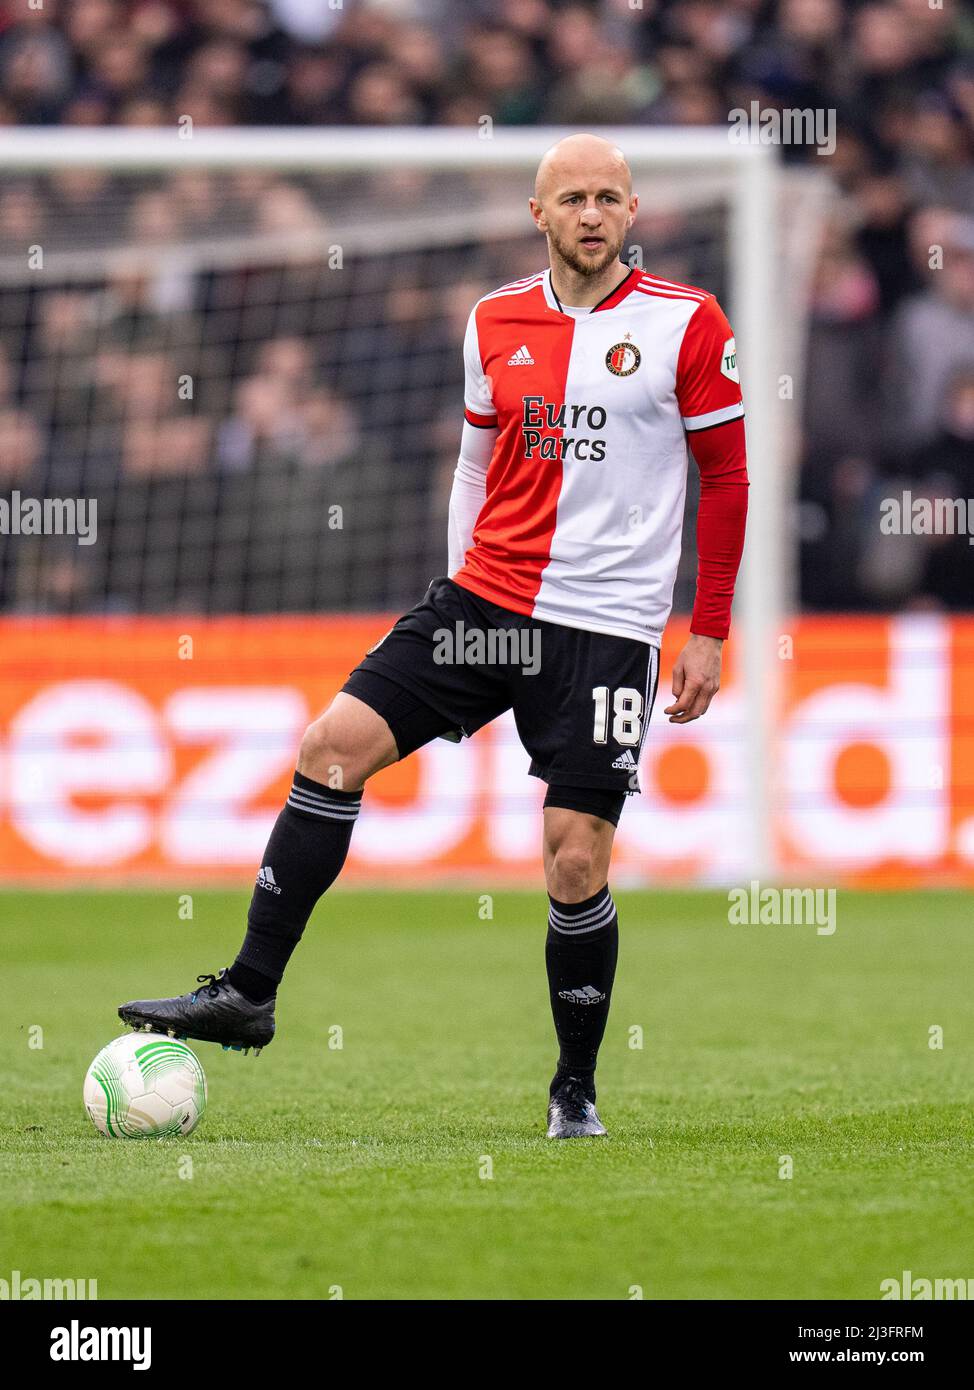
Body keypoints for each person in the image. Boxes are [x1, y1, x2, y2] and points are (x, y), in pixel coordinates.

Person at [118, 134, 750, 1139]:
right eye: (570, 199)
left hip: (603, 629)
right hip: (484, 605)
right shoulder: (492, 319)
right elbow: (473, 459)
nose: (590, 214)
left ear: (632, 211)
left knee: (574, 863)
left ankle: (574, 1088)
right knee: (331, 745)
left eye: (607, 198)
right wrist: (459, 578)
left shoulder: (686, 323)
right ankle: (248, 990)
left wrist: (707, 631)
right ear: (534, 214)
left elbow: (725, 477)